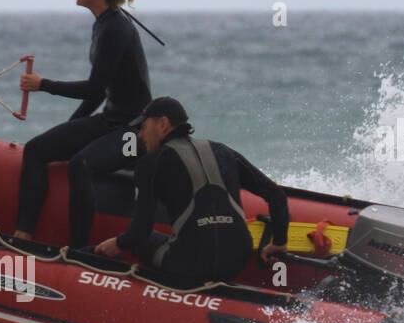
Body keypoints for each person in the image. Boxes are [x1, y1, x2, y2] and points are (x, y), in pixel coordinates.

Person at [13, 0, 151, 248]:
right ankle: (24, 234)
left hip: (134, 130)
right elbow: (100, 93)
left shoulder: (116, 28)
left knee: (81, 165)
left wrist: (43, 85)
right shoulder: (103, 24)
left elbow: (94, 87)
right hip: (111, 120)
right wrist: (72, 126)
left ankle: (78, 250)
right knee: (38, 149)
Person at [94, 97, 289, 285]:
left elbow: (140, 230)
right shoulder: (224, 151)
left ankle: (154, 292)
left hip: (190, 265)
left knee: (139, 242)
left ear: (163, 124)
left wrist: (118, 244)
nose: (140, 135)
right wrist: (279, 242)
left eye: (143, 127)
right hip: (237, 261)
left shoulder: (149, 163)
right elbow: (277, 196)